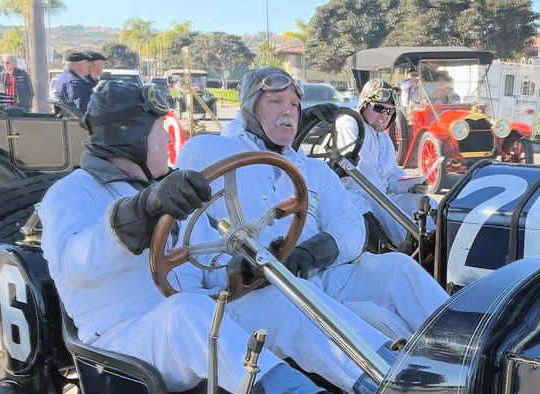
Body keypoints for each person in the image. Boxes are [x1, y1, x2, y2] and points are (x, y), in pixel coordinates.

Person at [37, 81, 372, 394]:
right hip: (123, 339)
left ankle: (379, 381)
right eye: (159, 132)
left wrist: (240, 271)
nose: (168, 142)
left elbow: (205, 262)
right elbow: (74, 264)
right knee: (185, 311)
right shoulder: (71, 192)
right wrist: (139, 211)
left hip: (192, 322)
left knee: (282, 297)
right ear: (129, 136)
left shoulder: (163, 190)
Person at [175, 67, 449, 342]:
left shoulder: (313, 170)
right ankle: (405, 372)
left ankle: (470, 348)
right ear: (248, 108)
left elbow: (351, 226)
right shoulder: (209, 152)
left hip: (326, 273)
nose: (289, 111)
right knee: (371, 319)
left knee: (399, 268)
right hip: (262, 289)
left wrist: (312, 252)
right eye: (275, 102)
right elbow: (184, 230)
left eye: (294, 105)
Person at [334, 79, 430, 246]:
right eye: (379, 108)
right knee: (387, 211)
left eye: (390, 111)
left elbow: (393, 174)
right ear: (364, 104)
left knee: (426, 204)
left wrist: (412, 185)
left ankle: (433, 247)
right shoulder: (350, 123)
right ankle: (407, 252)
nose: (385, 115)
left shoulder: (384, 138)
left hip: (380, 195)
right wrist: (387, 199)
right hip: (352, 196)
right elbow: (361, 175)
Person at [54, 50, 93, 116]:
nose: (89, 65)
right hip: (80, 123)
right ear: (79, 65)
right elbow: (83, 106)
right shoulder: (74, 82)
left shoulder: (64, 77)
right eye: (86, 62)